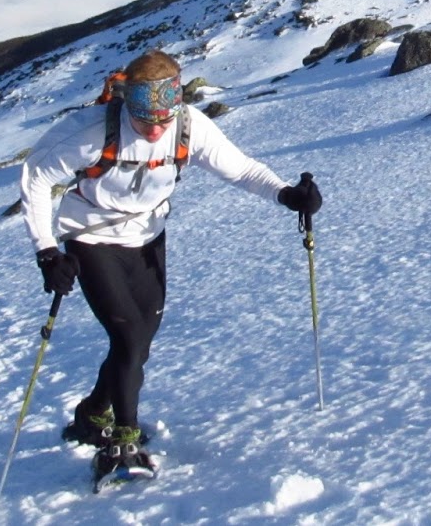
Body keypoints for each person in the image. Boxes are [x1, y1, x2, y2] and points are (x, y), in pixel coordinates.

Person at [19, 49, 322, 483]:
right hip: (90, 235)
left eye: (164, 118)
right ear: (128, 104)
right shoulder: (89, 131)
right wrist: (47, 251)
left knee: (139, 342)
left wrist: (287, 194)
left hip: (147, 236)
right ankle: (123, 440)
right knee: (128, 335)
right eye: (146, 120)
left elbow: (240, 170)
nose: (156, 129)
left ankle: (92, 413)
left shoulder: (188, 126)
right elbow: (36, 178)